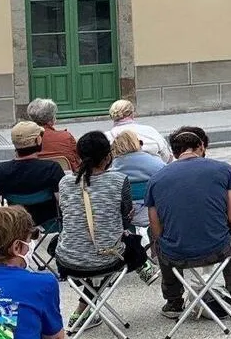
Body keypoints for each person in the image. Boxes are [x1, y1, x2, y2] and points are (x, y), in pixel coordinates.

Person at [147, 127, 231, 318]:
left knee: (159, 241)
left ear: (173, 152)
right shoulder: (223, 169)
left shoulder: (155, 179)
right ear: (201, 146)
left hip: (176, 254)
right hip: (217, 248)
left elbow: (156, 229)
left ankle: (173, 300)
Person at [55, 132, 159, 328]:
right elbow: (127, 214)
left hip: (68, 262)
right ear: (108, 157)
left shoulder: (65, 182)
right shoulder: (119, 180)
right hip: (108, 258)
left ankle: (83, 307)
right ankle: (142, 265)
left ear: (78, 157)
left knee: (60, 245)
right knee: (129, 239)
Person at [0, 206, 65, 339]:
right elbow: (55, 337)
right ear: (17, 247)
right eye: (28, 240)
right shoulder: (41, 284)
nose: (31, 244)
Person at [0, 122, 64, 233]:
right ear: (38, 140)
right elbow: (63, 202)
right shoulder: (52, 168)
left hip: (17, 227)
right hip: (50, 225)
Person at [109, 130, 166, 228]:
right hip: (154, 213)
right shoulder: (156, 163)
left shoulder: (114, 169)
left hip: (128, 217)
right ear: (138, 143)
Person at [107, 100, 172, 163]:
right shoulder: (150, 131)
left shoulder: (107, 137)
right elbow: (167, 157)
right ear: (132, 114)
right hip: (153, 171)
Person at [27, 98, 80, 171]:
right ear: (51, 120)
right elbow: (77, 162)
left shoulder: (26, 139)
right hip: (63, 178)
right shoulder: (66, 137)